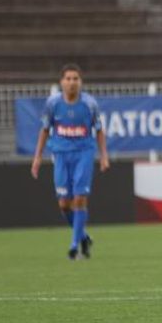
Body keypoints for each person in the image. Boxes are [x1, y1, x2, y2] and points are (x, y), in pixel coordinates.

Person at [30, 64, 110, 259]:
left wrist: (104, 156)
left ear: (80, 82)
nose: (72, 82)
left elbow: (98, 130)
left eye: (76, 79)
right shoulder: (53, 103)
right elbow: (45, 130)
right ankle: (83, 236)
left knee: (80, 199)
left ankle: (74, 245)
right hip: (61, 155)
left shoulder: (89, 104)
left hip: (83, 153)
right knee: (64, 204)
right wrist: (37, 157)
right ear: (61, 82)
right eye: (68, 78)